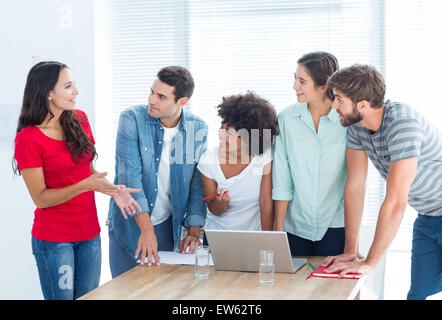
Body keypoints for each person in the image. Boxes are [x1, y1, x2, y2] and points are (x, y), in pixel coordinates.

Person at [13, 61, 136, 300]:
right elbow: (41, 199)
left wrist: (111, 190)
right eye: (68, 86)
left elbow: (88, 172)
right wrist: (85, 185)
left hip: (89, 234)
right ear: (49, 93)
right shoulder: (28, 138)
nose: (76, 91)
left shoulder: (80, 120)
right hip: (54, 240)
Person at [323, 64, 442, 300]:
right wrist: (351, 251)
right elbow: (355, 187)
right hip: (427, 217)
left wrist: (369, 263)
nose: (334, 106)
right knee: (418, 295)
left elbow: (396, 202)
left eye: (339, 99)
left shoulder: (403, 124)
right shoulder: (357, 126)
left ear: (363, 104)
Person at [107, 66, 208, 278]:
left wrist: (193, 231)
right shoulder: (131, 119)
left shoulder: (196, 129)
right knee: (124, 291)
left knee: (160, 291)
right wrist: (146, 230)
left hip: (165, 225)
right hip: (129, 224)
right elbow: (129, 177)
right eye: (152, 92)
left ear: (181, 102)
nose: (152, 100)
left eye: (161, 96)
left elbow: (197, 185)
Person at [272, 52, 348, 257]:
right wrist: (278, 232)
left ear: (323, 87)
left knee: (330, 288)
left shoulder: (347, 123)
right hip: (295, 226)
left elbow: (355, 184)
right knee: (290, 288)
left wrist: (352, 243)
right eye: (295, 78)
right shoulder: (286, 119)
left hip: (336, 226)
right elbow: (281, 178)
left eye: (302, 81)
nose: (295, 86)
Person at [197, 92, 278, 243]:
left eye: (229, 132)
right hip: (217, 239)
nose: (221, 135)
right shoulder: (208, 159)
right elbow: (213, 209)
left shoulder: (264, 158)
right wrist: (220, 203)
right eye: (222, 128)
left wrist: (267, 241)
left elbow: (266, 202)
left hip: (253, 238)